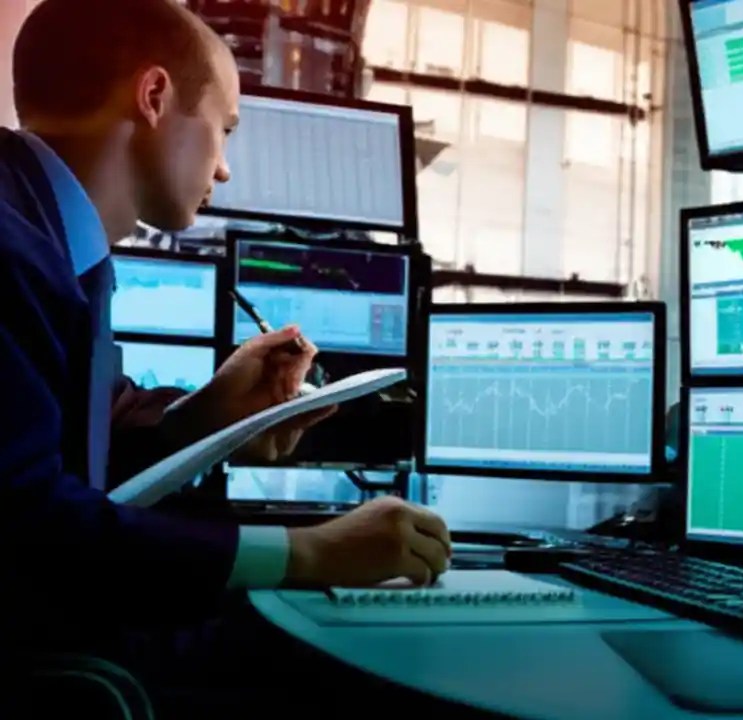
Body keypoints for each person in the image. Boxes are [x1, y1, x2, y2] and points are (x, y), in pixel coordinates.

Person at [0, 0, 451, 712]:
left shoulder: (51, 240)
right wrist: (308, 554)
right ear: (154, 97)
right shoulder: (8, 248)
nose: (226, 168)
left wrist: (209, 414)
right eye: (225, 129)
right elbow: (30, 528)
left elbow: (64, 449)